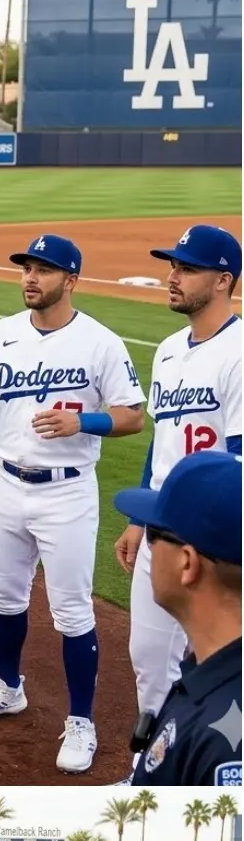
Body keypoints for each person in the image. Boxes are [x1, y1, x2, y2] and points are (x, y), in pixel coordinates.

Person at [0, 235, 144, 773]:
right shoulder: (2, 333)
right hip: (8, 487)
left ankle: (82, 720)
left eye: (44, 270)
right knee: (4, 596)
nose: (31, 278)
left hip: (68, 491)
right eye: (27, 268)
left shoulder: (99, 343)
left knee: (72, 610)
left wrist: (85, 421)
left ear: (71, 280)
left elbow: (132, 415)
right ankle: (8, 688)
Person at [119, 226, 240, 716]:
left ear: (222, 281)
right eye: (173, 266)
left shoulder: (238, 354)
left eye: (187, 269)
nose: (172, 276)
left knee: (218, 658)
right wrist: (138, 519)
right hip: (161, 527)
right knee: (148, 657)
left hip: (210, 536)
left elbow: (238, 462)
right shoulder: (168, 349)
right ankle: (150, 766)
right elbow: (162, 437)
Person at [116, 452, 241, 785]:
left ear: (188, 563)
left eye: (154, 534)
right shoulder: (213, 673)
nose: (148, 546)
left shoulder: (225, 745)